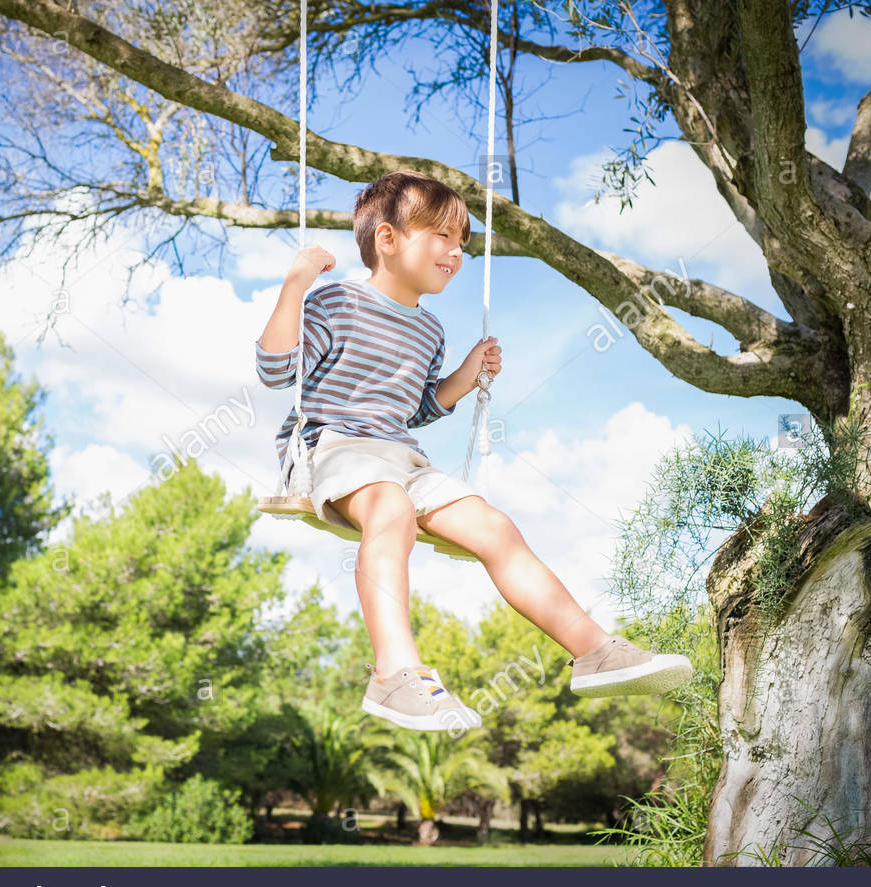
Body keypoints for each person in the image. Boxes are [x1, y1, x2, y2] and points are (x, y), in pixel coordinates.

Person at [255, 170, 691, 733]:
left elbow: (414, 412)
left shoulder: (429, 331)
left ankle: (593, 650)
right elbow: (276, 371)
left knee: (494, 526)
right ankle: (394, 674)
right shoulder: (336, 302)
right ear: (387, 240)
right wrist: (295, 286)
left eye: (461, 241)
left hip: (399, 456)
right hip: (331, 447)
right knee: (388, 509)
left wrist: (463, 376)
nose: (456, 251)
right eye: (440, 235)